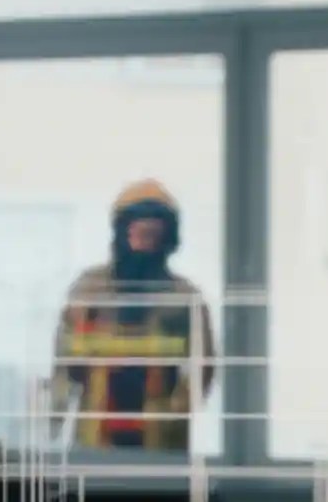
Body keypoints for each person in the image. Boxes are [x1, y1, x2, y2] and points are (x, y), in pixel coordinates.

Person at [53, 179, 215, 452]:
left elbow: (204, 367)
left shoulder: (185, 297)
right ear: (121, 231)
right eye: (138, 231)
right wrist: (53, 416)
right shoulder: (89, 288)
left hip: (160, 438)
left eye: (153, 233)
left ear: (167, 237)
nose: (144, 240)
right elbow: (64, 358)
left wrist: (176, 411)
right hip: (96, 436)